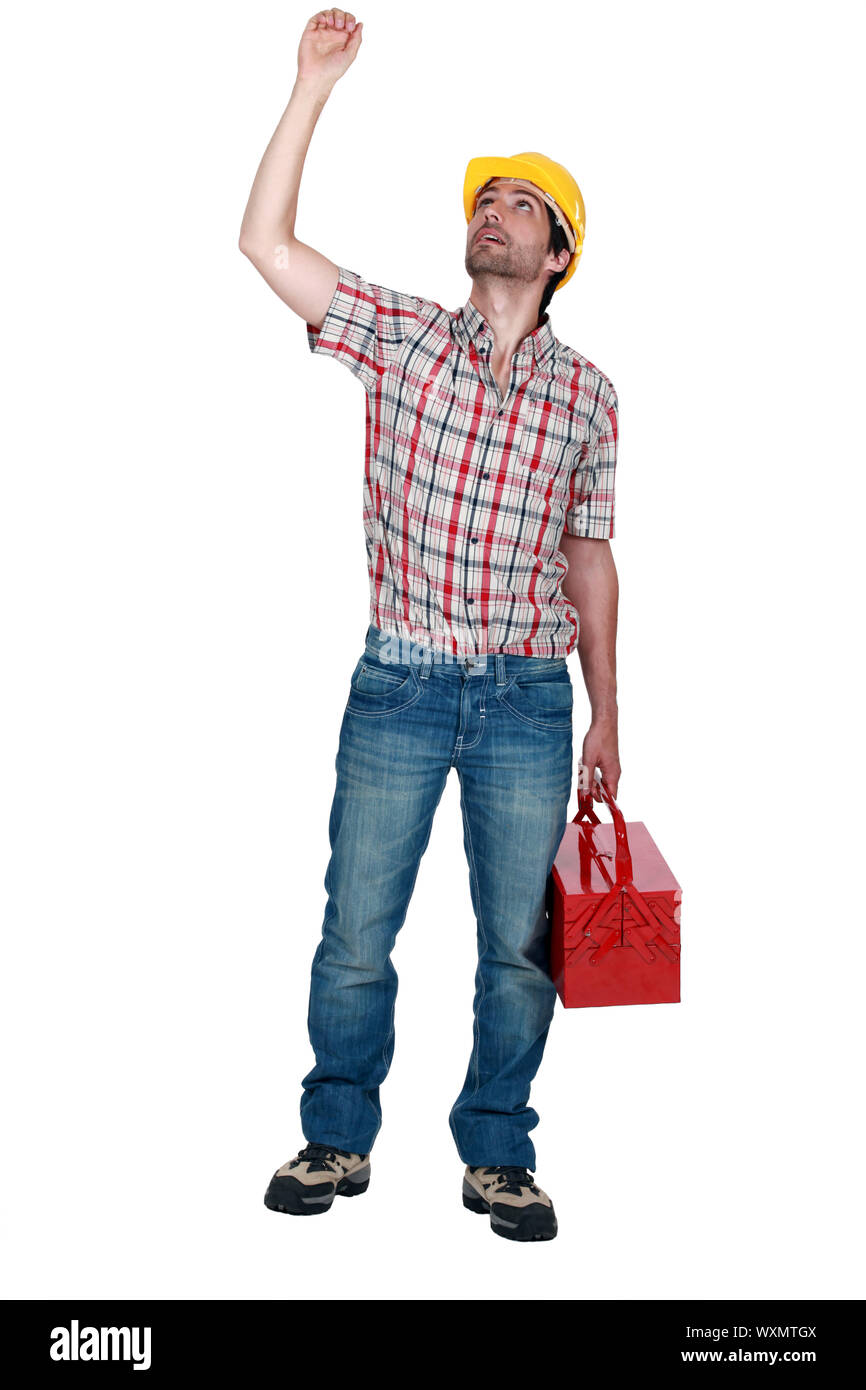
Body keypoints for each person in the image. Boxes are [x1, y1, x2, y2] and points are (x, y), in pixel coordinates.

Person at [239, 8, 621, 1243]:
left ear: (556, 250)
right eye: (484, 200)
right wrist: (310, 86)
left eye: (519, 206)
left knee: (519, 946)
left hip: (526, 697)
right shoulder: (400, 337)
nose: (491, 213)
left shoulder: (589, 396)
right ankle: (335, 1132)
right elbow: (263, 242)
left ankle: (497, 1153)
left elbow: (589, 553)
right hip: (400, 681)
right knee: (357, 923)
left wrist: (609, 707)